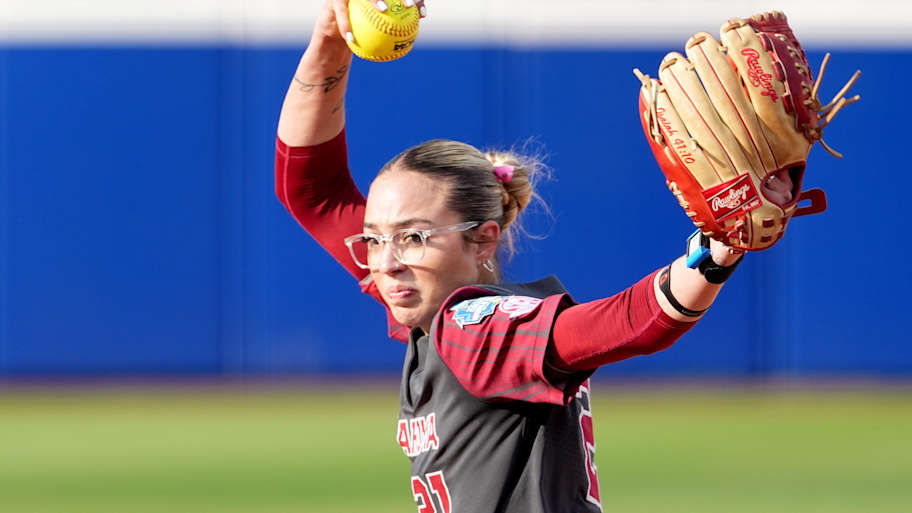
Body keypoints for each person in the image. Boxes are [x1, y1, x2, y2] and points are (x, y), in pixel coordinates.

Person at [275, 1, 794, 511]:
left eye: (413, 237)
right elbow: (311, 190)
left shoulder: (473, 330)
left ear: (483, 240)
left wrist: (716, 251)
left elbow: (617, 327)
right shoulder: (429, 303)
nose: (384, 262)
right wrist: (329, 36)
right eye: (375, 237)